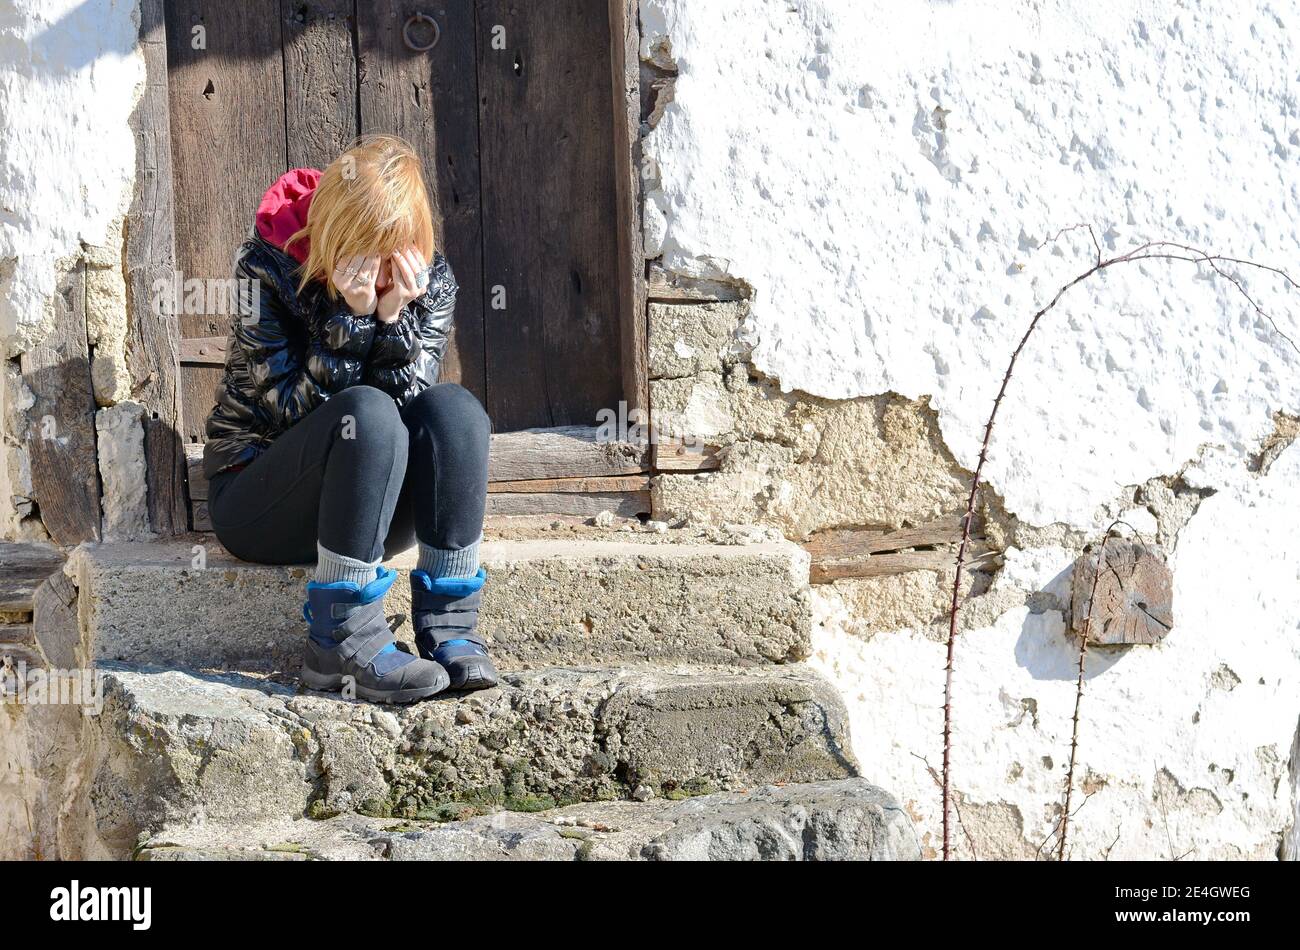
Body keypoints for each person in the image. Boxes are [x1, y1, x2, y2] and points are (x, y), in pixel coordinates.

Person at [201, 135, 497, 704]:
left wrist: (391, 322)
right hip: (259, 498)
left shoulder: (428, 281)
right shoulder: (263, 270)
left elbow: (412, 409)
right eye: (367, 252)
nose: (385, 271)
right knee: (364, 414)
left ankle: (451, 627)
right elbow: (285, 410)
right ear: (335, 236)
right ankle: (339, 641)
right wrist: (351, 322)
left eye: (397, 252)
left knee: (456, 411)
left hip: (367, 511)